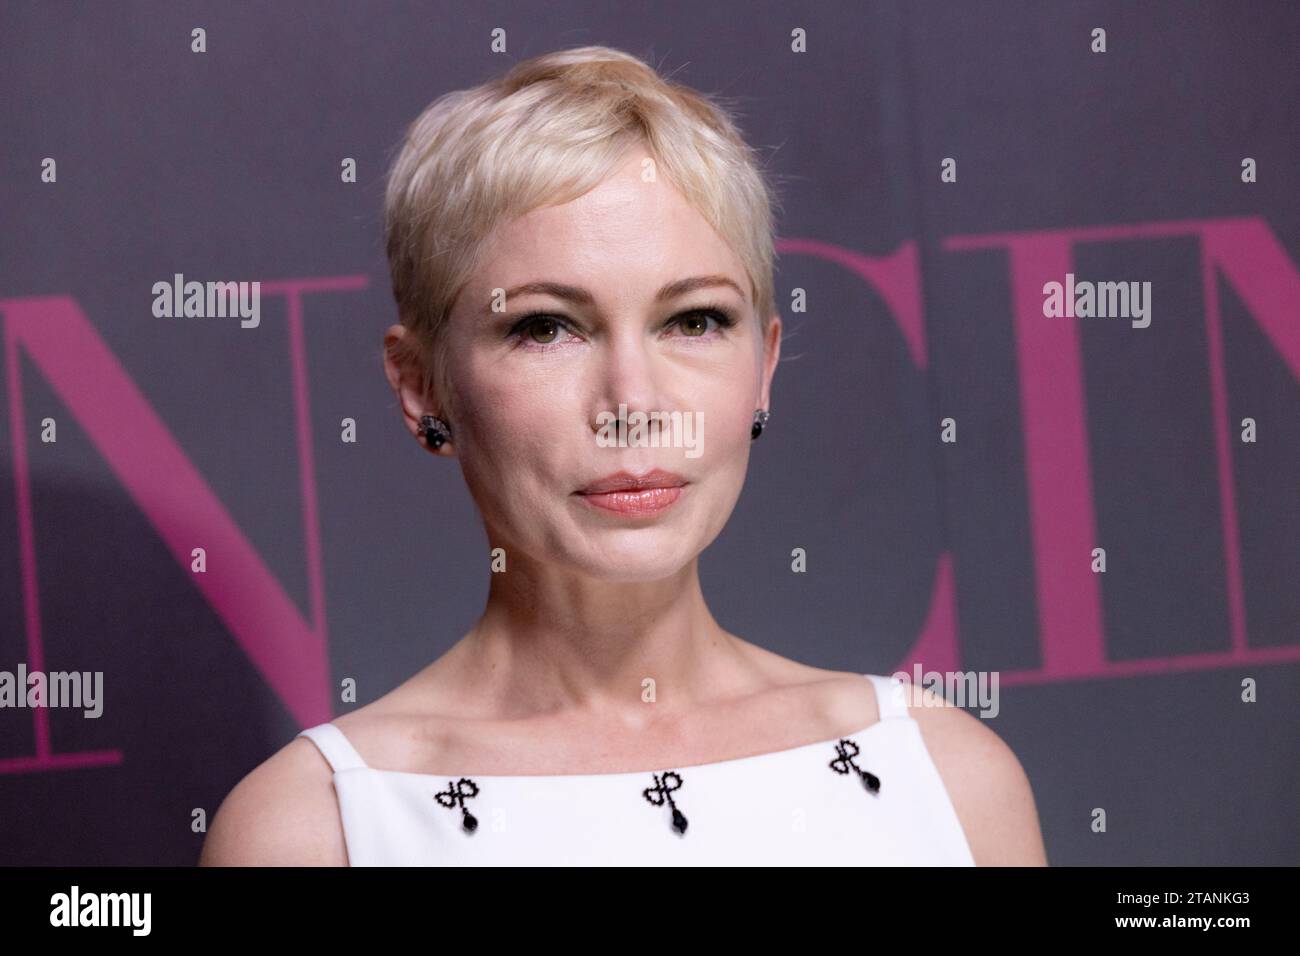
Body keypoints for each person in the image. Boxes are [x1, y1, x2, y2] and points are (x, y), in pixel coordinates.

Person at [200, 45, 1047, 866]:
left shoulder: (948, 780)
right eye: (545, 327)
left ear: (765, 366)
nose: (633, 405)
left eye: (694, 321)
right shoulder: (313, 832)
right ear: (421, 384)